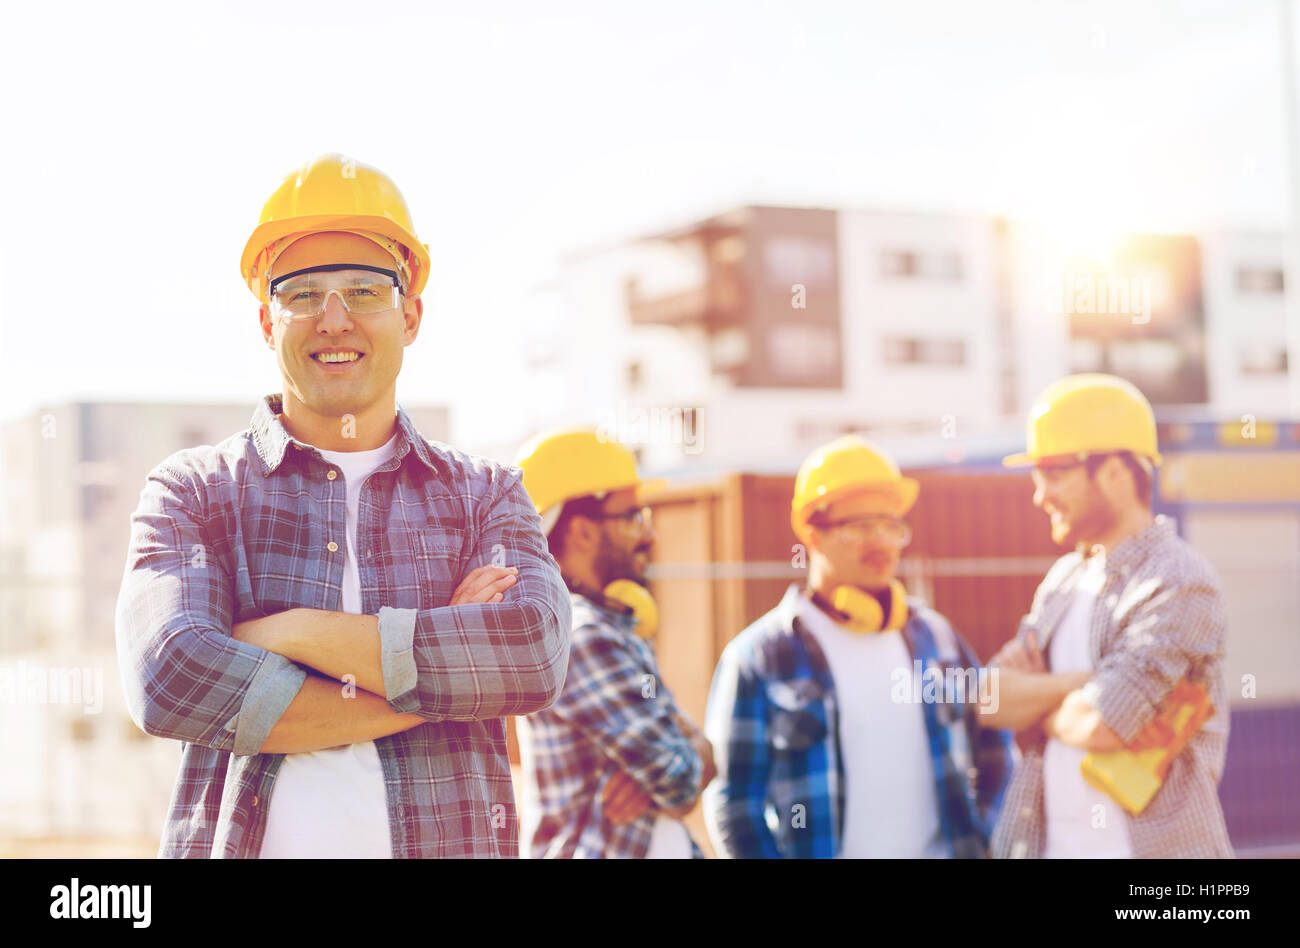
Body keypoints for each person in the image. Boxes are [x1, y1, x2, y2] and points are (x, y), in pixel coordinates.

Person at [114, 154, 571, 858]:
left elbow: (532, 655)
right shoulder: (195, 492)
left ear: (410, 314)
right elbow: (171, 677)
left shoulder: (488, 494)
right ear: (268, 322)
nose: (333, 320)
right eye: (301, 293)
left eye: (363, 291)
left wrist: (278, 632)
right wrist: (445, 678)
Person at [703, 436, 1014, 858]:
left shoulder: (939, 640)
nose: (881, 543)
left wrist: (986, 838)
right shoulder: (759, 658)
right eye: (860, 527)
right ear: (812, 533)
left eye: (891, 527)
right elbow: (735, 803)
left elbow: (997, 748)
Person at [985, 373, 1232, 858]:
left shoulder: (1179, 580)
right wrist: (1089, 682)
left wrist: (1037, 707)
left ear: (1116, 472)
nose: (1039, 495)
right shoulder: (1062, 581)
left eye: (1054, 473)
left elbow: (1102, 725)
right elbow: (991, 699)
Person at [513, 427, 715, 857]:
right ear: (582, 532)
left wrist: (689, 753)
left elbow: (686, 763)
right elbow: (680, 785)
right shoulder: (586, 638)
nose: (650, 536)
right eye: (633, 517)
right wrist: (690, 755)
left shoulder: (611, 627)